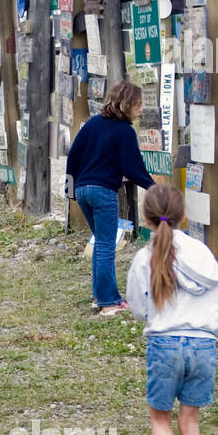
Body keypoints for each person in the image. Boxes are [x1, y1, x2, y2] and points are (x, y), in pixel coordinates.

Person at [126, 184, 218, 435]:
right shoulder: (201, 252)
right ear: (183, 215)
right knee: (190, 420)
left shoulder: (144, 258)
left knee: (160, 417)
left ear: (145, 218)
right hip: (203, 345)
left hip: (164, 345)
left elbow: (137, 306)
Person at [65, 80, 156, 315]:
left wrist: (70, 189)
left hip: (83, 191)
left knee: (100, 242)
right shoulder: (125, 131)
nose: (141, 109)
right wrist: (154, 188)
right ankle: (108, 302)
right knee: (106, 244)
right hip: (104, 191)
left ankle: (101, 296)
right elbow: (132, 168)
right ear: (126, 104)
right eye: (138, 104)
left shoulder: (93, 124)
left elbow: (73, 155)